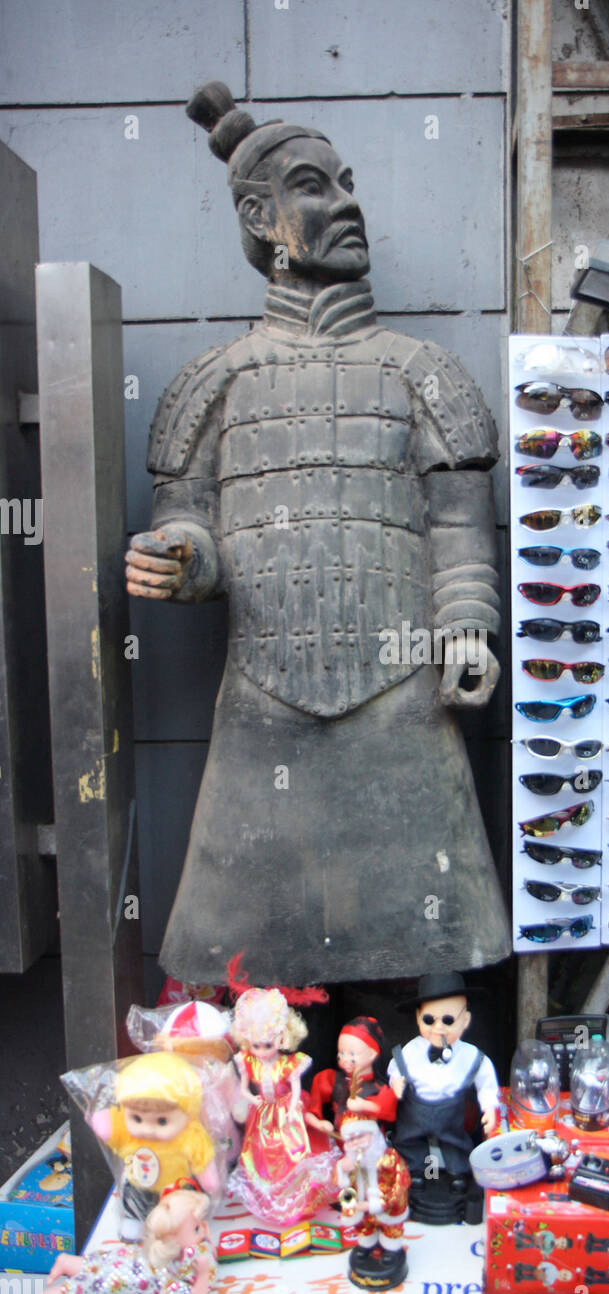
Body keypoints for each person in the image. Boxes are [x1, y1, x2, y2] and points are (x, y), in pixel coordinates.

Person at [125, 81, 509, 988]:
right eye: (315, 187)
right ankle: (267, 1109)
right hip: (266, 697)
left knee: (433, 958)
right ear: (261, 217)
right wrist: (185, 558)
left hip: (402, 694)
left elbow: (456, 522)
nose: (347, 204)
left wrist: (467, 630)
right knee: (248, 966)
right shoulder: (211, 382)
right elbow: (192, 523)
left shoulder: (423, 373)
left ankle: (428, 1098)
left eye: (347, 183)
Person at [388, 970, 498, 1220]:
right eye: (429, 1019)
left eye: (448, 1020)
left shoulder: (470, 1055)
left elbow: (486, 1082)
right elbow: (395, 1067)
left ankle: (458, 1175)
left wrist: (489, 1107)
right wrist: (396, 1081)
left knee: (455, 1142)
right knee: (409, 1141)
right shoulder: (411, 1050)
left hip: (451, 1110)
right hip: (415, 1108)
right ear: (418, 1018)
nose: (438, 1027)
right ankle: (415, 1173)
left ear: (465, 1020)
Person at [229, 985, 339, 1224]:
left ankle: (297, 1200)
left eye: (267, 1045)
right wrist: (252, 1099)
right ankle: (272, 1201)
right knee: (262, 1158)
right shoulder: (249, 1062)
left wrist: (291, 1109)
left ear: (281, 1038)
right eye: (256, 1045)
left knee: (294, 1153)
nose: (262, 1051)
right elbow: (243, 1089)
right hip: (263, 1115)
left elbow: (297, 1088)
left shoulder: (288, 1063)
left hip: (286, 1110)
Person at [89, 1052, 220, 1241]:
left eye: (161, 1121)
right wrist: (102, 1121)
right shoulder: (126, 1130)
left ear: (188, 1112)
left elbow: (202, 1158)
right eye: (137, 1118)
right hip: (141, 1182)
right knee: (133, 1193)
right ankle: (134, 1218)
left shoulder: (190, 1135)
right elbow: (109, 1128)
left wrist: (208, 1180)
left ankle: (181, 1228)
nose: (148, 1129)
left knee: (183, 1207)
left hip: (178, 1186)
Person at [43, 1184, 214, 1294]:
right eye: (196, 1229)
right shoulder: (169, 1280)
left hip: (131, 1261)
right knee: (95, 1283)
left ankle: (68, 1263)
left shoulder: (175, 1253)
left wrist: (204, 1237)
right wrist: (203, 1276)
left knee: (100, 1265)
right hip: (127, 1278)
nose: (202, 1230)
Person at [335, 1118, 410, 1290]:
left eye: (360, 1137)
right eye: (351, 1140)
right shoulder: (349, 1161)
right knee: (365, 1228)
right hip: (361, 1208)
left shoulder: (390, 1158)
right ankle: (366, 1245)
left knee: (391, 1230)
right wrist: (342, 1171)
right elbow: (341, 1187)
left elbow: (401, 1182)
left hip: (387, 1207)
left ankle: (391, 1250)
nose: (356, 1143)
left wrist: (378, 1204)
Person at [306, 1016, 397, 1136]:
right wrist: (318, 1122)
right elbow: (310, 1109)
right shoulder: (332, 1079)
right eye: (341, 1053)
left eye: (352, 1054)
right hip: (339, 1139)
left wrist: (365, 1105)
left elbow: (388, 1111)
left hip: (369, 1145)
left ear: (371, 1054)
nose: (345, 1059)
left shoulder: (379, 1087)